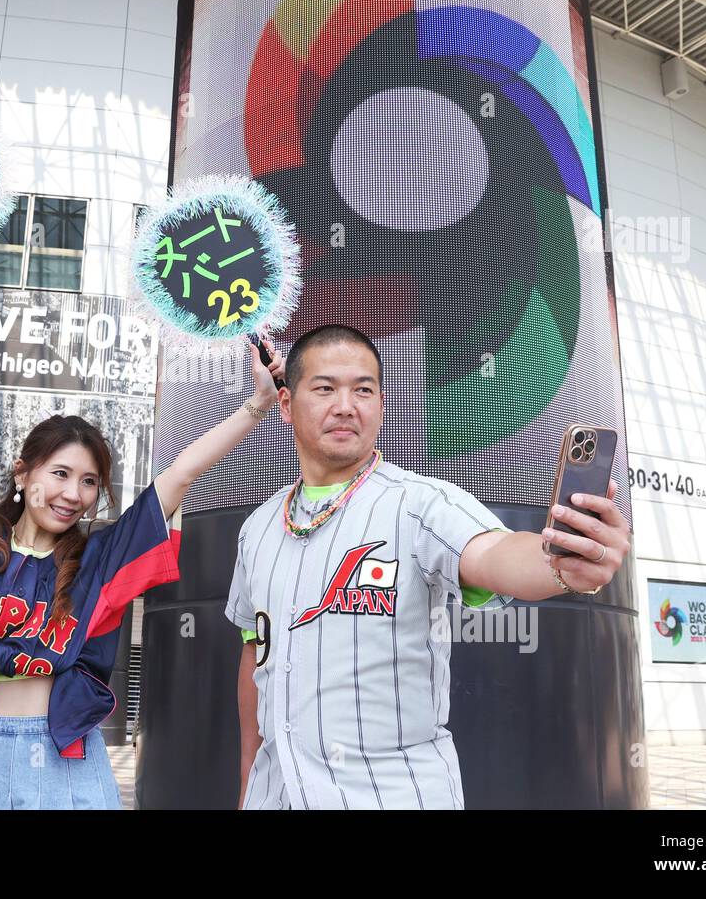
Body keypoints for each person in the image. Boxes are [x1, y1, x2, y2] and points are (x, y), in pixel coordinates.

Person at [0, 268, 285, 809]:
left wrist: (256, 406)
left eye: (89, 482)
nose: (73, 493)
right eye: (59, 474)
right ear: (23, 474)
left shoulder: (100, 557)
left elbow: (178, 475)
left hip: (68, 755)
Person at [227, 323, 632, 809]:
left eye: (363, 390)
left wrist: (563, 566)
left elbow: (493, 554)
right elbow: (256, 653)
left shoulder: (420, 504)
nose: (345, 405)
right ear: (288, 405)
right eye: (325, 388)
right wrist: (249, 781)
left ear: (381, 406)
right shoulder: (257, 528)